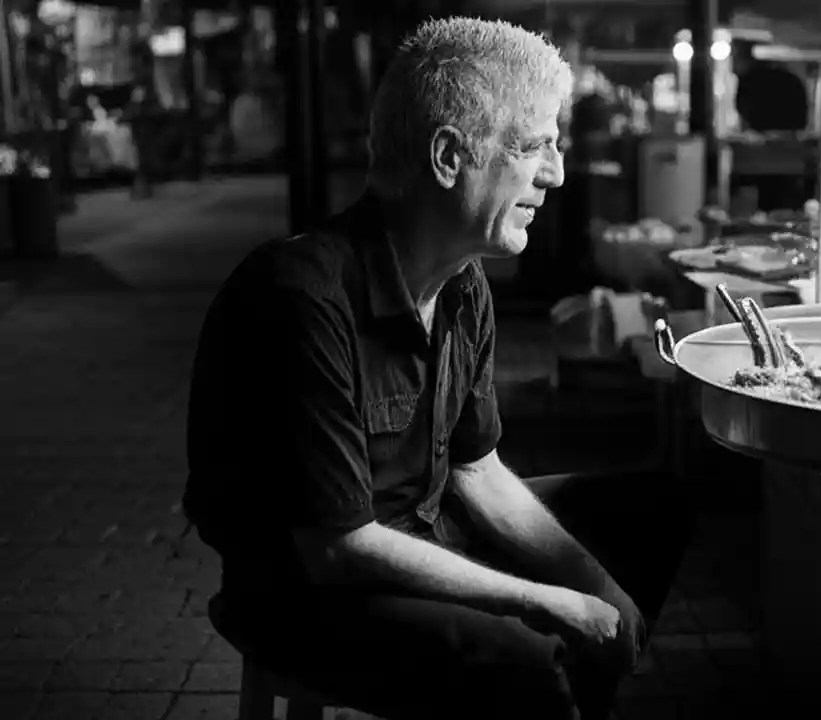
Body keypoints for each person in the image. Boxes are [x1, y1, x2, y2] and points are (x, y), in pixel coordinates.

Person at [184, 18, 691, 720]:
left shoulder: (462, 284)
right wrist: (547, 602)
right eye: (535, 146)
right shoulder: (299, 297)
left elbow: (474, 470)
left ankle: (574, 696)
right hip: (305, 591)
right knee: (529, 660)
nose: (557, 173)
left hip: (416, 531)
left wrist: (594, 588)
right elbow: (339, 548)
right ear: (449, 156)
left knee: (652, 507)